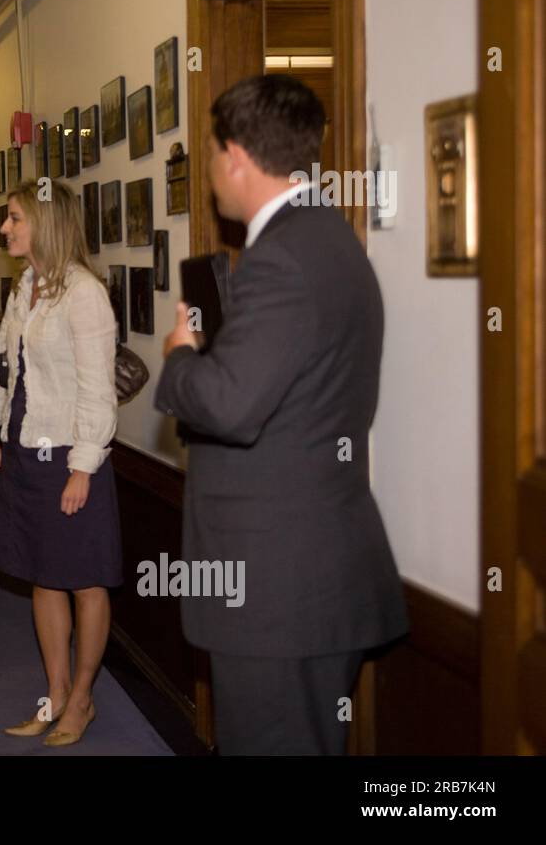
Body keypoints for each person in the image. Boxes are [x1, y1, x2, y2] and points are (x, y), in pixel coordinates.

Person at [155, 74, 408, 754]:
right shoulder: (328, 238)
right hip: (311, 575)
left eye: (211, 155)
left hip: (277, 588)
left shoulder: (284, 258)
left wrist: (180, 359)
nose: (209, 174)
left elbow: (230, 406)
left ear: (236, 155)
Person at [0, 179, 121, 747]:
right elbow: (1, 363)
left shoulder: (83, 292)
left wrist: (83, 467)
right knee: (43, 576)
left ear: (45, 222)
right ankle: (55, 694)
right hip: (24, 451)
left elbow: (97, 389)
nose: (6, 228)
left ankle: (82, 699)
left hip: (69, 457)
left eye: (14, 218)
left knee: (84, 580)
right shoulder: (27, 286)